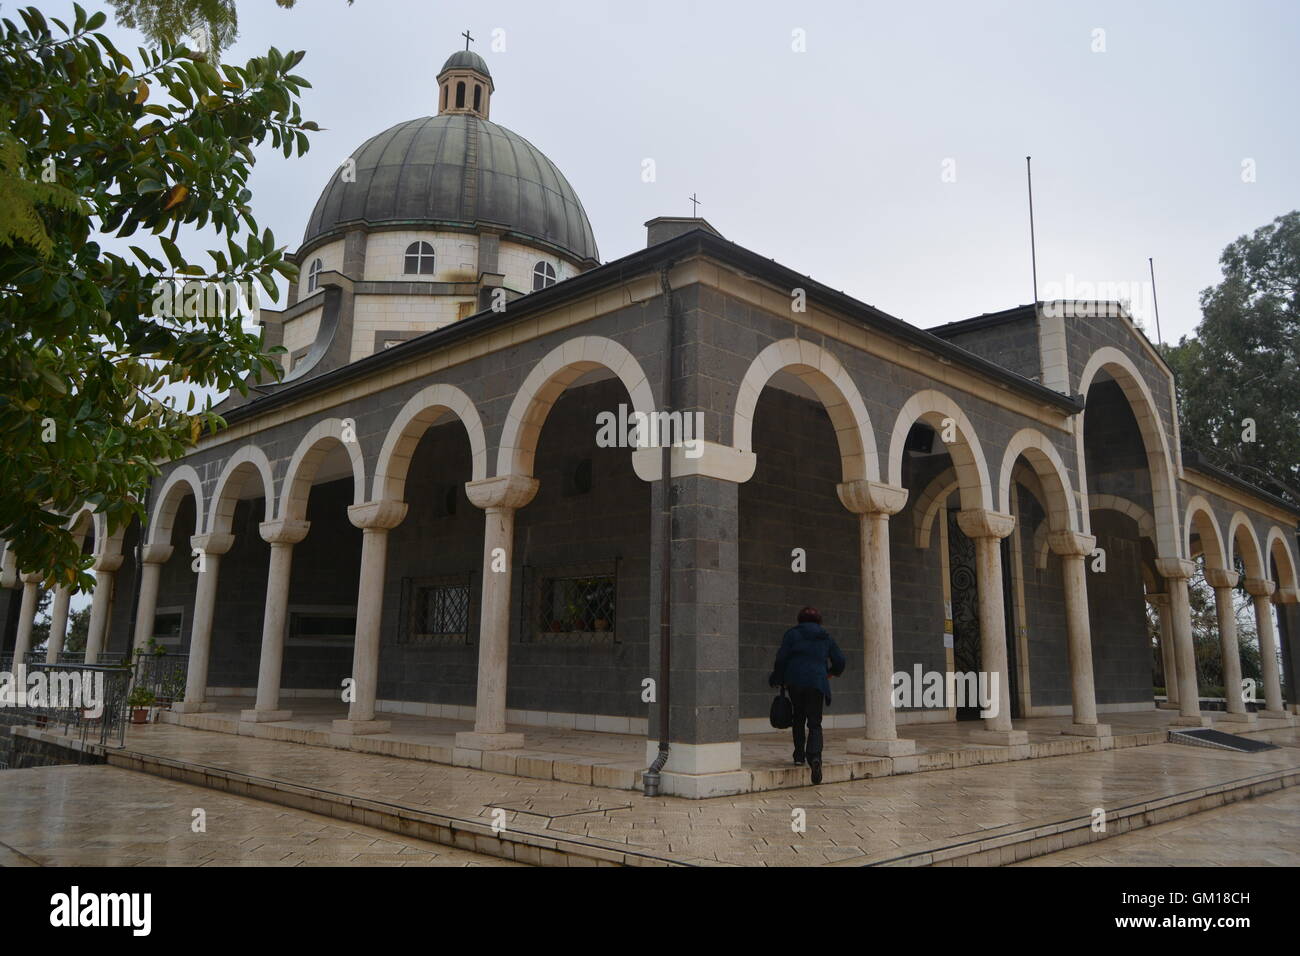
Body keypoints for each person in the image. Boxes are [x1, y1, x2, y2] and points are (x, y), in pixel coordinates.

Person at [769, 606, 845, 785]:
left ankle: (799, 755)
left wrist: (777, 678)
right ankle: (815, 757)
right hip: (817, 682)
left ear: (800, 619)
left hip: (795, 682)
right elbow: (840, 660)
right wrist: (831, 672)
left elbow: (781, 659)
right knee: (814, 722)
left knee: (798, 718)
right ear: (818, 620)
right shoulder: (825, 636)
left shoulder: (792, 634)